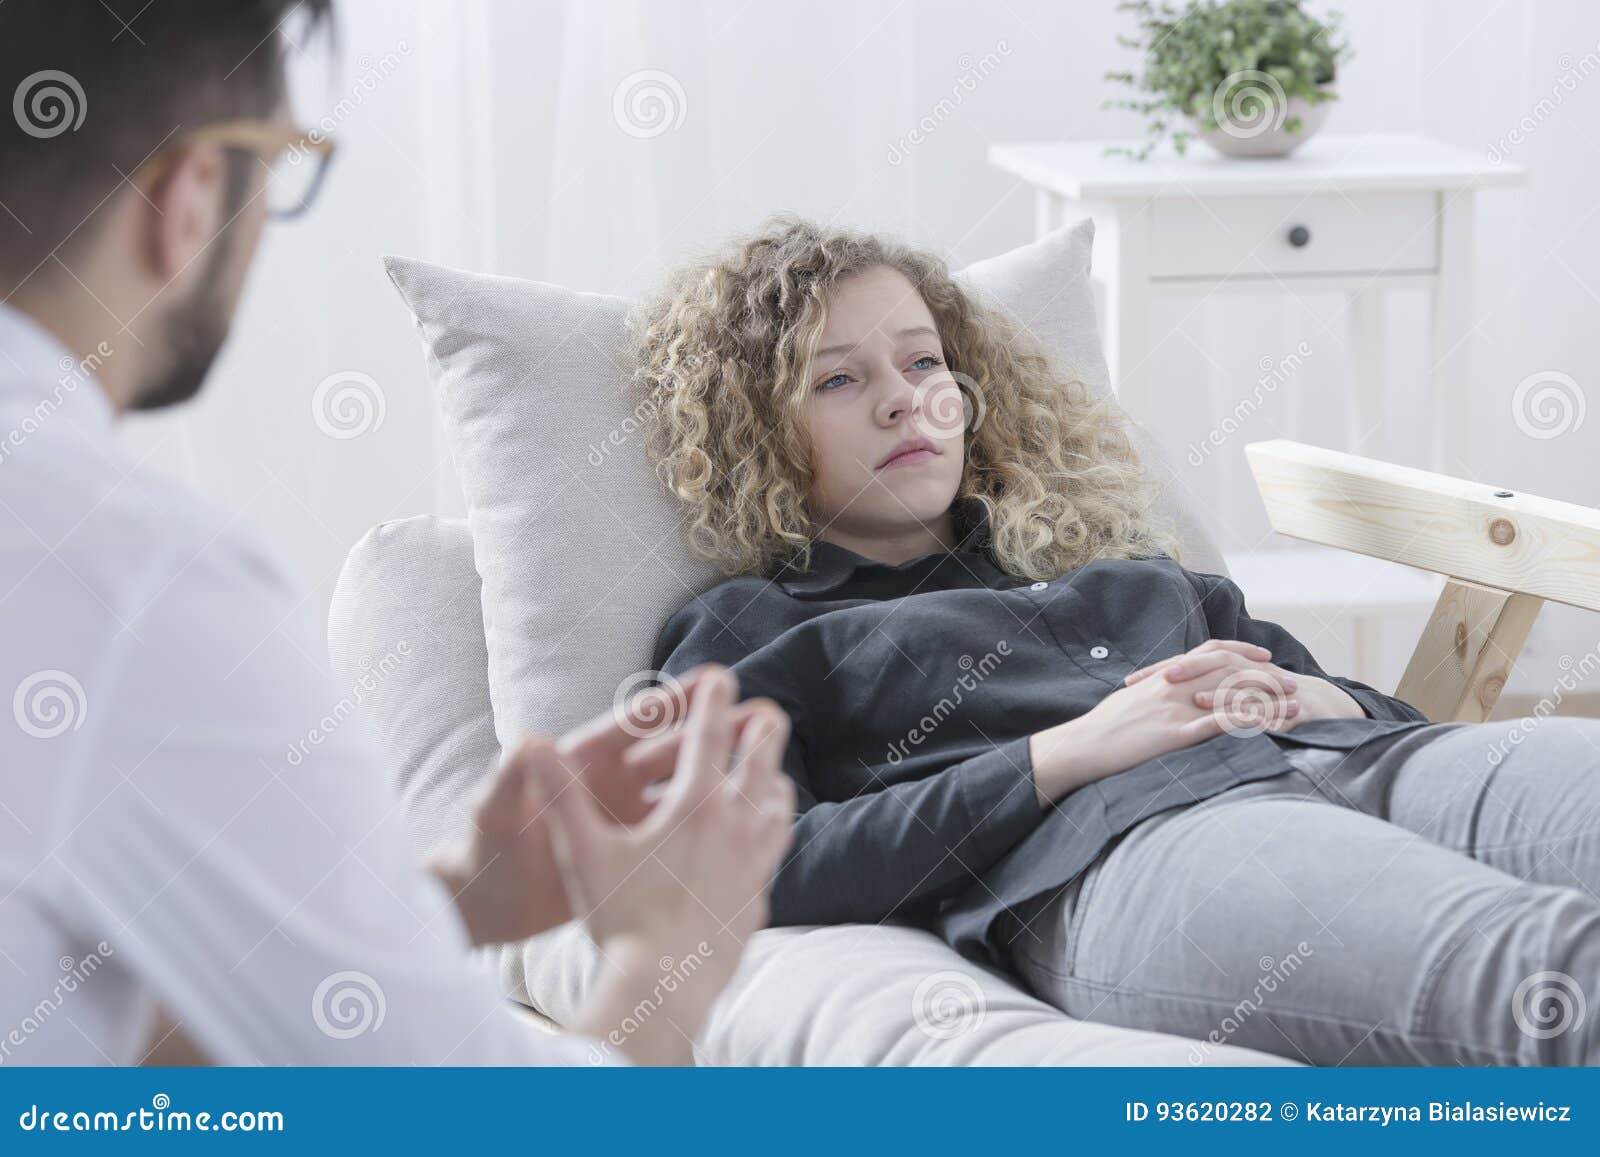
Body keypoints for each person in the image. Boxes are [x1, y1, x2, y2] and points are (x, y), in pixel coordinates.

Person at [0, 1, 793, 1067]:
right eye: (281, 169)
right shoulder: (129, 577)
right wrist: (671, 953)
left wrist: (440, 902)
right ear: (189, 197)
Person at [638, 214, 1600, 1066]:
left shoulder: (1111, 559)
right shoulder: (749, 624)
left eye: (923, 360)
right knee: (1556, 975)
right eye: (840, 378)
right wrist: (1065, 752)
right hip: (1126, 852)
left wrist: (1332, 698)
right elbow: (745, 869)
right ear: (758, 430)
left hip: (1357, 761)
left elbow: (1364, 711)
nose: (906, 400)